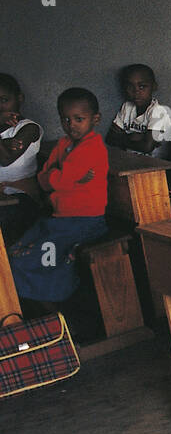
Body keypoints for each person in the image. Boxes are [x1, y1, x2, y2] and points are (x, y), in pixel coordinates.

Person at [8, 87, 108, 304]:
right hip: (60, 217)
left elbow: (55, 180)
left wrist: (56, 176)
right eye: (65, 119)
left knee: (42, 256)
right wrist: (59, 176)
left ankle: (56, 298)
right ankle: (30, 296)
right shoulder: (64, 144)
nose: (71, 125)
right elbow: (44, 180)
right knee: (17, 250)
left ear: (95, 119)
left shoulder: (92, 148)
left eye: (78, 119)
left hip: (84, 220)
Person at [0, 73, 44, 241]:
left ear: (19, 99)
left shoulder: (29, 128)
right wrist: (6, 143)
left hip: (21, 200)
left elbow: (5, 159)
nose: (0, 106)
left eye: (4, 100)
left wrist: (7, 144)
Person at [105, 64, 171, 158]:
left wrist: (122, 138)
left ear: (154, 87)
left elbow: (147, 147)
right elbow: (110, 139)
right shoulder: (127, 107)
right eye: (130, 86)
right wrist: (133, 137)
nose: (136, 91)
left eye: (142, 86)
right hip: (130, 160)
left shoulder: (158, 111)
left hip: (154, 165)